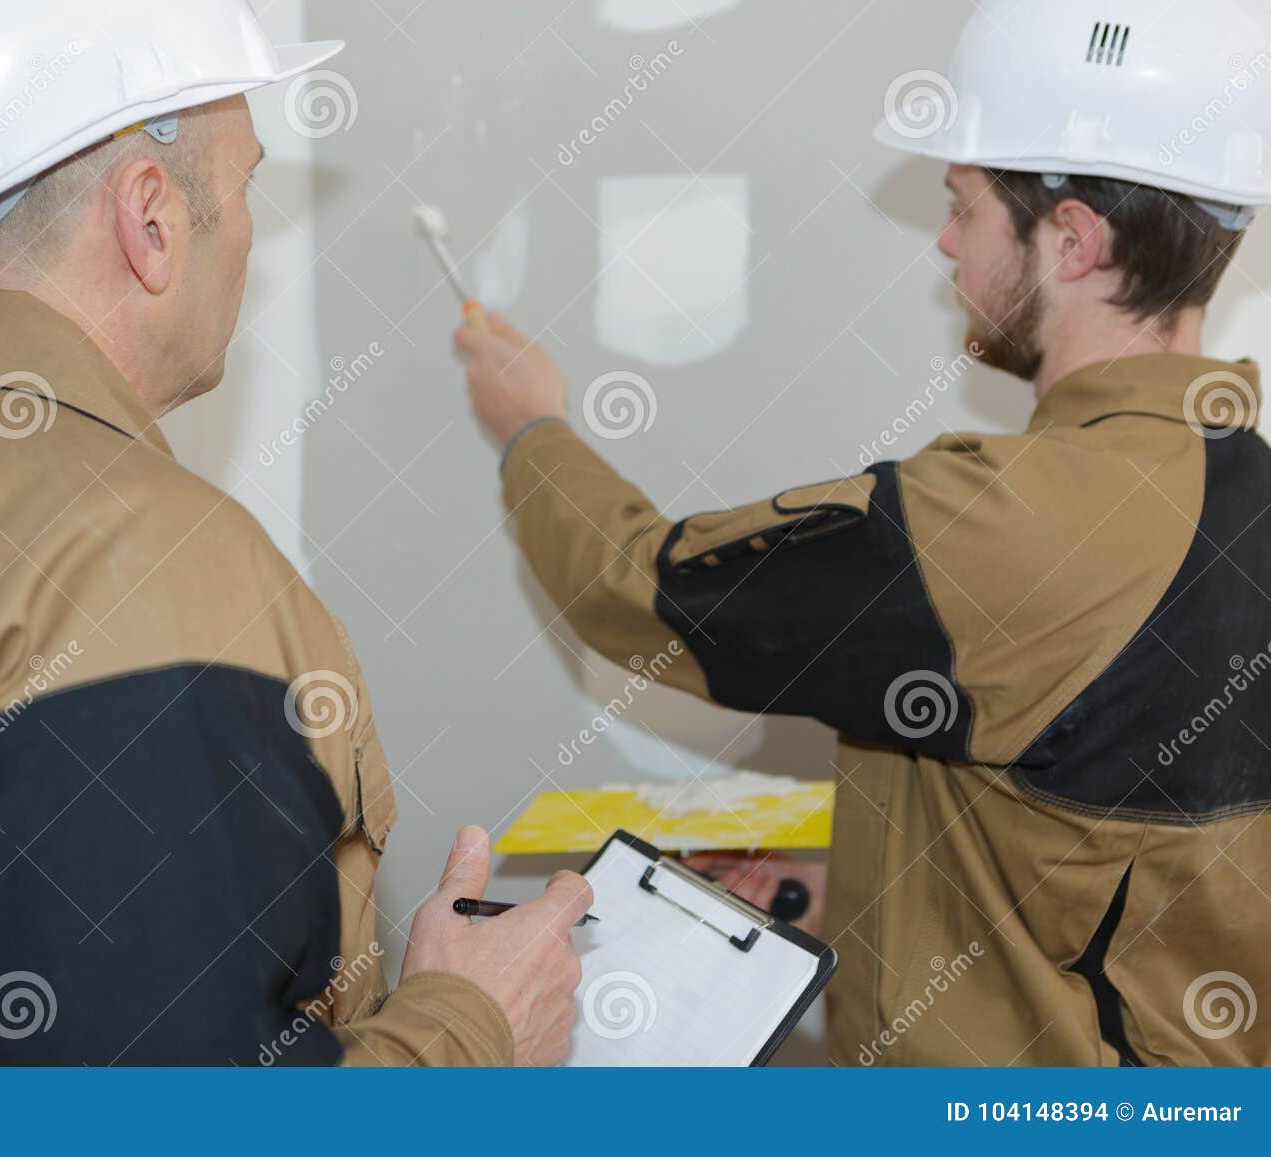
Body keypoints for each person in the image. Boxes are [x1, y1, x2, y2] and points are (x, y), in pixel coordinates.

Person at [0, 0, 589, 1067]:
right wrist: (469, 1024)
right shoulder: (134, 559)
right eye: (247, 184)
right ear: (150, 219)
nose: (251, 231)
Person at [455, 0, 1271, 1066]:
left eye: (962, 205)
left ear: (1070, 239)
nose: (943, 239)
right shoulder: (1234, 492)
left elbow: (637, 587)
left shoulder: (994, 526)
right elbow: (1125, 848)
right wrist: (874, 888)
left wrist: (534, 428)